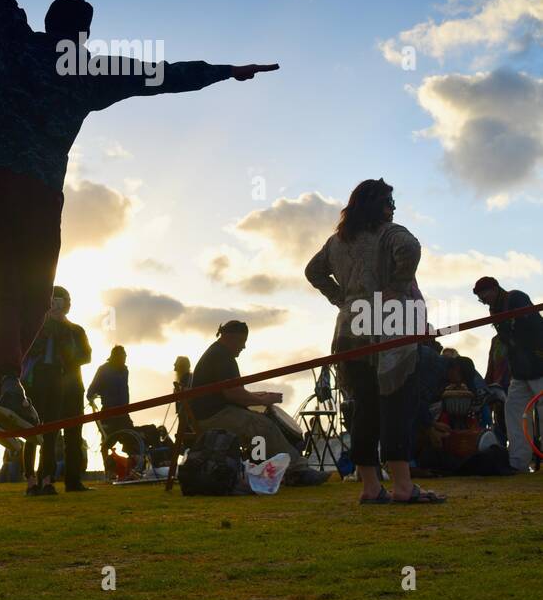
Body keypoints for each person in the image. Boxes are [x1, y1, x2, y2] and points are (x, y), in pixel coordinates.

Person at [0, 0, 279, 436]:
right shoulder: (90, 71)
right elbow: (165, 75)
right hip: (34, 189)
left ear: (47, 21)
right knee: (35, 296)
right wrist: (226, 71)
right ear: (85, 36)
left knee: (3, 284)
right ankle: (9, 387)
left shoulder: (18, 43)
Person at [305, 177, 443, 505]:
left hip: (351, 327)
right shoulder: (388, 233)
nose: (393, 209)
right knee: (396, 404)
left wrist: (341, 297)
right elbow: (410, 248)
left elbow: (313, 271)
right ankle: (403, 487)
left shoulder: (337, 242)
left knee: (365, 407)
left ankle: (370, 486)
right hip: (388, 325)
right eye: (388, 203)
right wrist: (397, 286)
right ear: (374, 206)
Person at [191, 321, 329, 487]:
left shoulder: (218, 353)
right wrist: (262, 400)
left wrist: (258, 397)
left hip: (213, 412)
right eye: (242, 342)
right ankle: (296, 471)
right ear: (231, 337)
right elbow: (233, 394)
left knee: (261, 425)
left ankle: (278, 470)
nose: (243, 347)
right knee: (264, 426)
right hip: (214, 416)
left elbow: (231, 391)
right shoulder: (222, 356)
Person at [24, 285, 92, 496]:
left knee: (68, 434)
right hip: (41, 382)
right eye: (53, 302)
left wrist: (63, 331)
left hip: (69, 385)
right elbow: (29, 350)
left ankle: (66, 480)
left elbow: (84, 356)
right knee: (35, 431)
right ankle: (34, 480)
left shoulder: (75, 330)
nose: (56, 307)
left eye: (61, 303)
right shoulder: (37, 327)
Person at [473, 276, 543, 472]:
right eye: (480, 297)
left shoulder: (516, 298)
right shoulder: (495, 309)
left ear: (494, 289)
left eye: (484, 294)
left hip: (538, 363)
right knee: (513, 409)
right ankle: (518, 461)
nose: (484, 299)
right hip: (520, 370)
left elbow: (535, 329)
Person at [88, 346, 134, 482]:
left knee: (131, 441)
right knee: (107, 443)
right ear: (114, 356)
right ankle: (109, 472)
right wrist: (95, 396)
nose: (124, 359)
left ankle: (131, 470)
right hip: (108, 412)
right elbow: (91, 391)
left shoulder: (125, 370)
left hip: (124, 413)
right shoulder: (104, 370)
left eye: (125, 356)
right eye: (121, 356)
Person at [173, 355, 195, 441]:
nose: (174, 366)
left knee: (185, 438)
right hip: (186, 415)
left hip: (188, 416)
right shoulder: (188, 378)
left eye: (175, 365)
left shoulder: (187, 379)